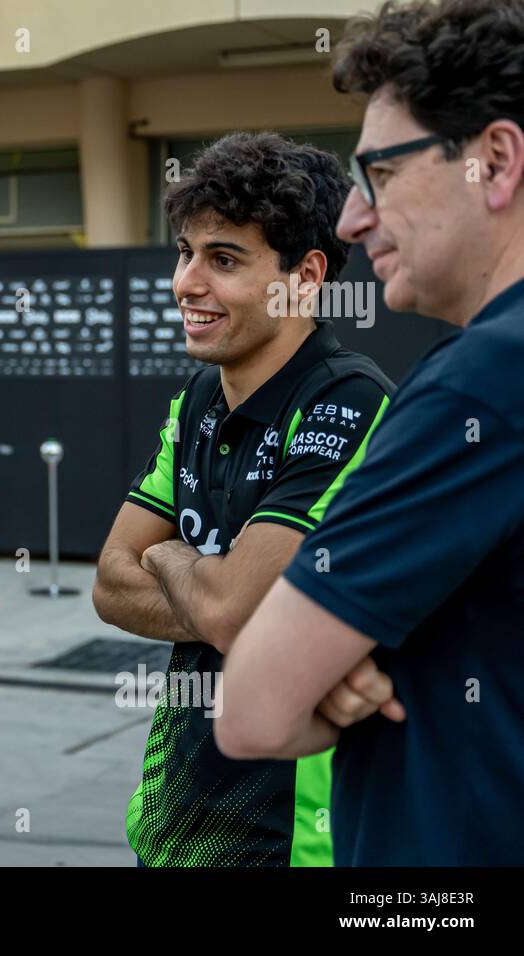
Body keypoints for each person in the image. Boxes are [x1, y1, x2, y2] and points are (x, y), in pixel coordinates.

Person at [217, 0, 524, 866]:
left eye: (379, 174)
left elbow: (251, 709)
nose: (353, 218)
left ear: (496, 162)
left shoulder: (481, 380)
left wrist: (318, 672)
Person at [93, 132, 395, 866]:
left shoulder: (350, 402)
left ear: (304, 276)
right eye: (185, 252)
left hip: (292, 840)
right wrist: (224, 594)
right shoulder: (198, 397)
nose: (186, 283)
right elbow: (109, 585)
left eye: (223, 260)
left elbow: (230, 610)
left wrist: (170, 558)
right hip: (174, 821)